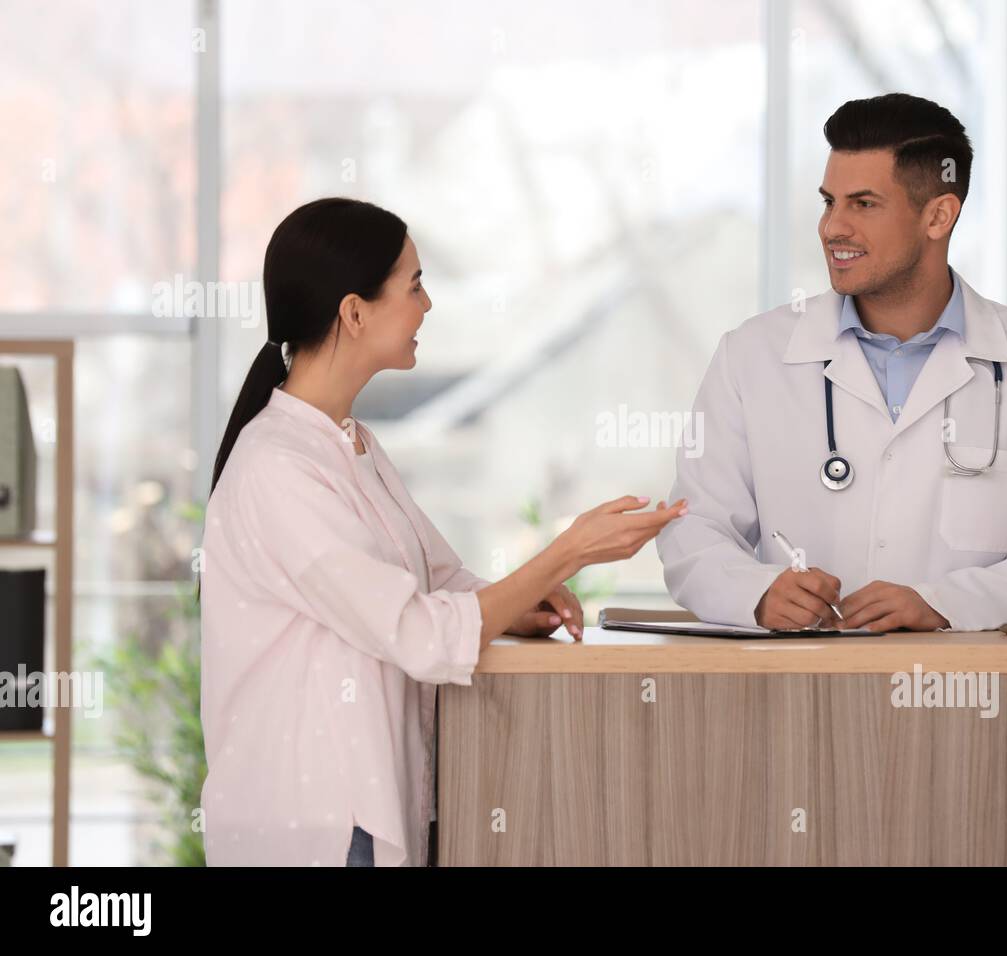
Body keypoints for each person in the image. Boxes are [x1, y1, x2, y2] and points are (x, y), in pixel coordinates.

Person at [199, 198, 686, 866]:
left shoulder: (352, 445)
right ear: (353, 311)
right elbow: (421, 635)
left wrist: (519, 607)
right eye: (415, 285)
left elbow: (440, 580)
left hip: (366, 809)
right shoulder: (278, 469)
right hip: (315, 825)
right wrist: (569, 550)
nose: (427, 305)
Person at [657, 93, 1007, 633]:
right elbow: (693, 530)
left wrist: (947, 603)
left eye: (863, 204)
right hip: (798, 695)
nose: (832, 227)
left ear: (939, 215)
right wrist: (757, 592)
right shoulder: (752, 356)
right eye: (828, 201)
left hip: (976, 698)